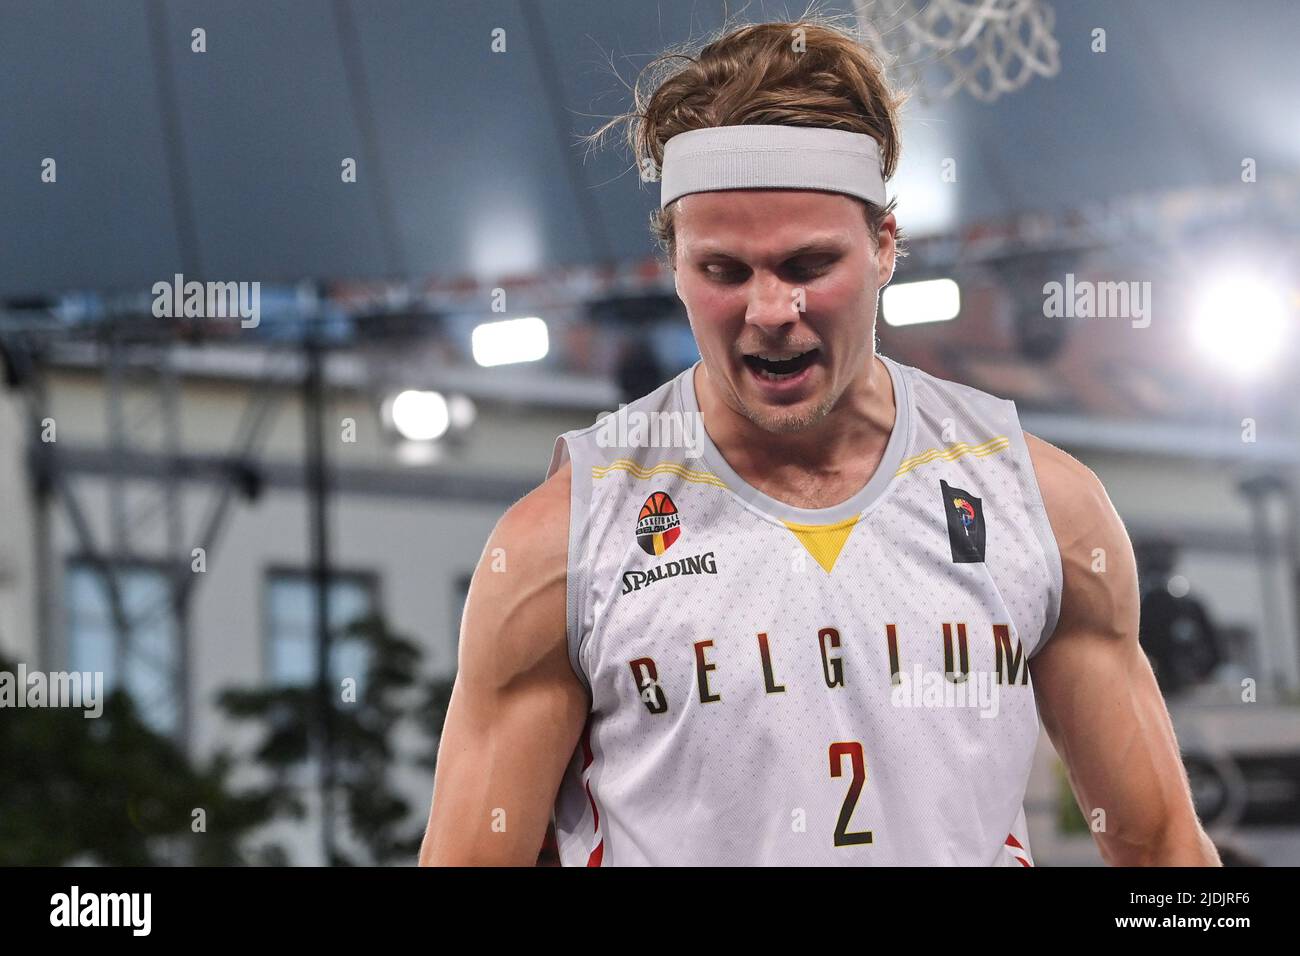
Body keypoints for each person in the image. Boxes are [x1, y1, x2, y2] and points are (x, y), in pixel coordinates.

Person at [420, 16, 1219, 866]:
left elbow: (1162, 847)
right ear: (675, 266)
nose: (769, 312)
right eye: (725, 271)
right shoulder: (562, 540)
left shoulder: (1040, 505)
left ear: (883, 247)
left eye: (806, 266)